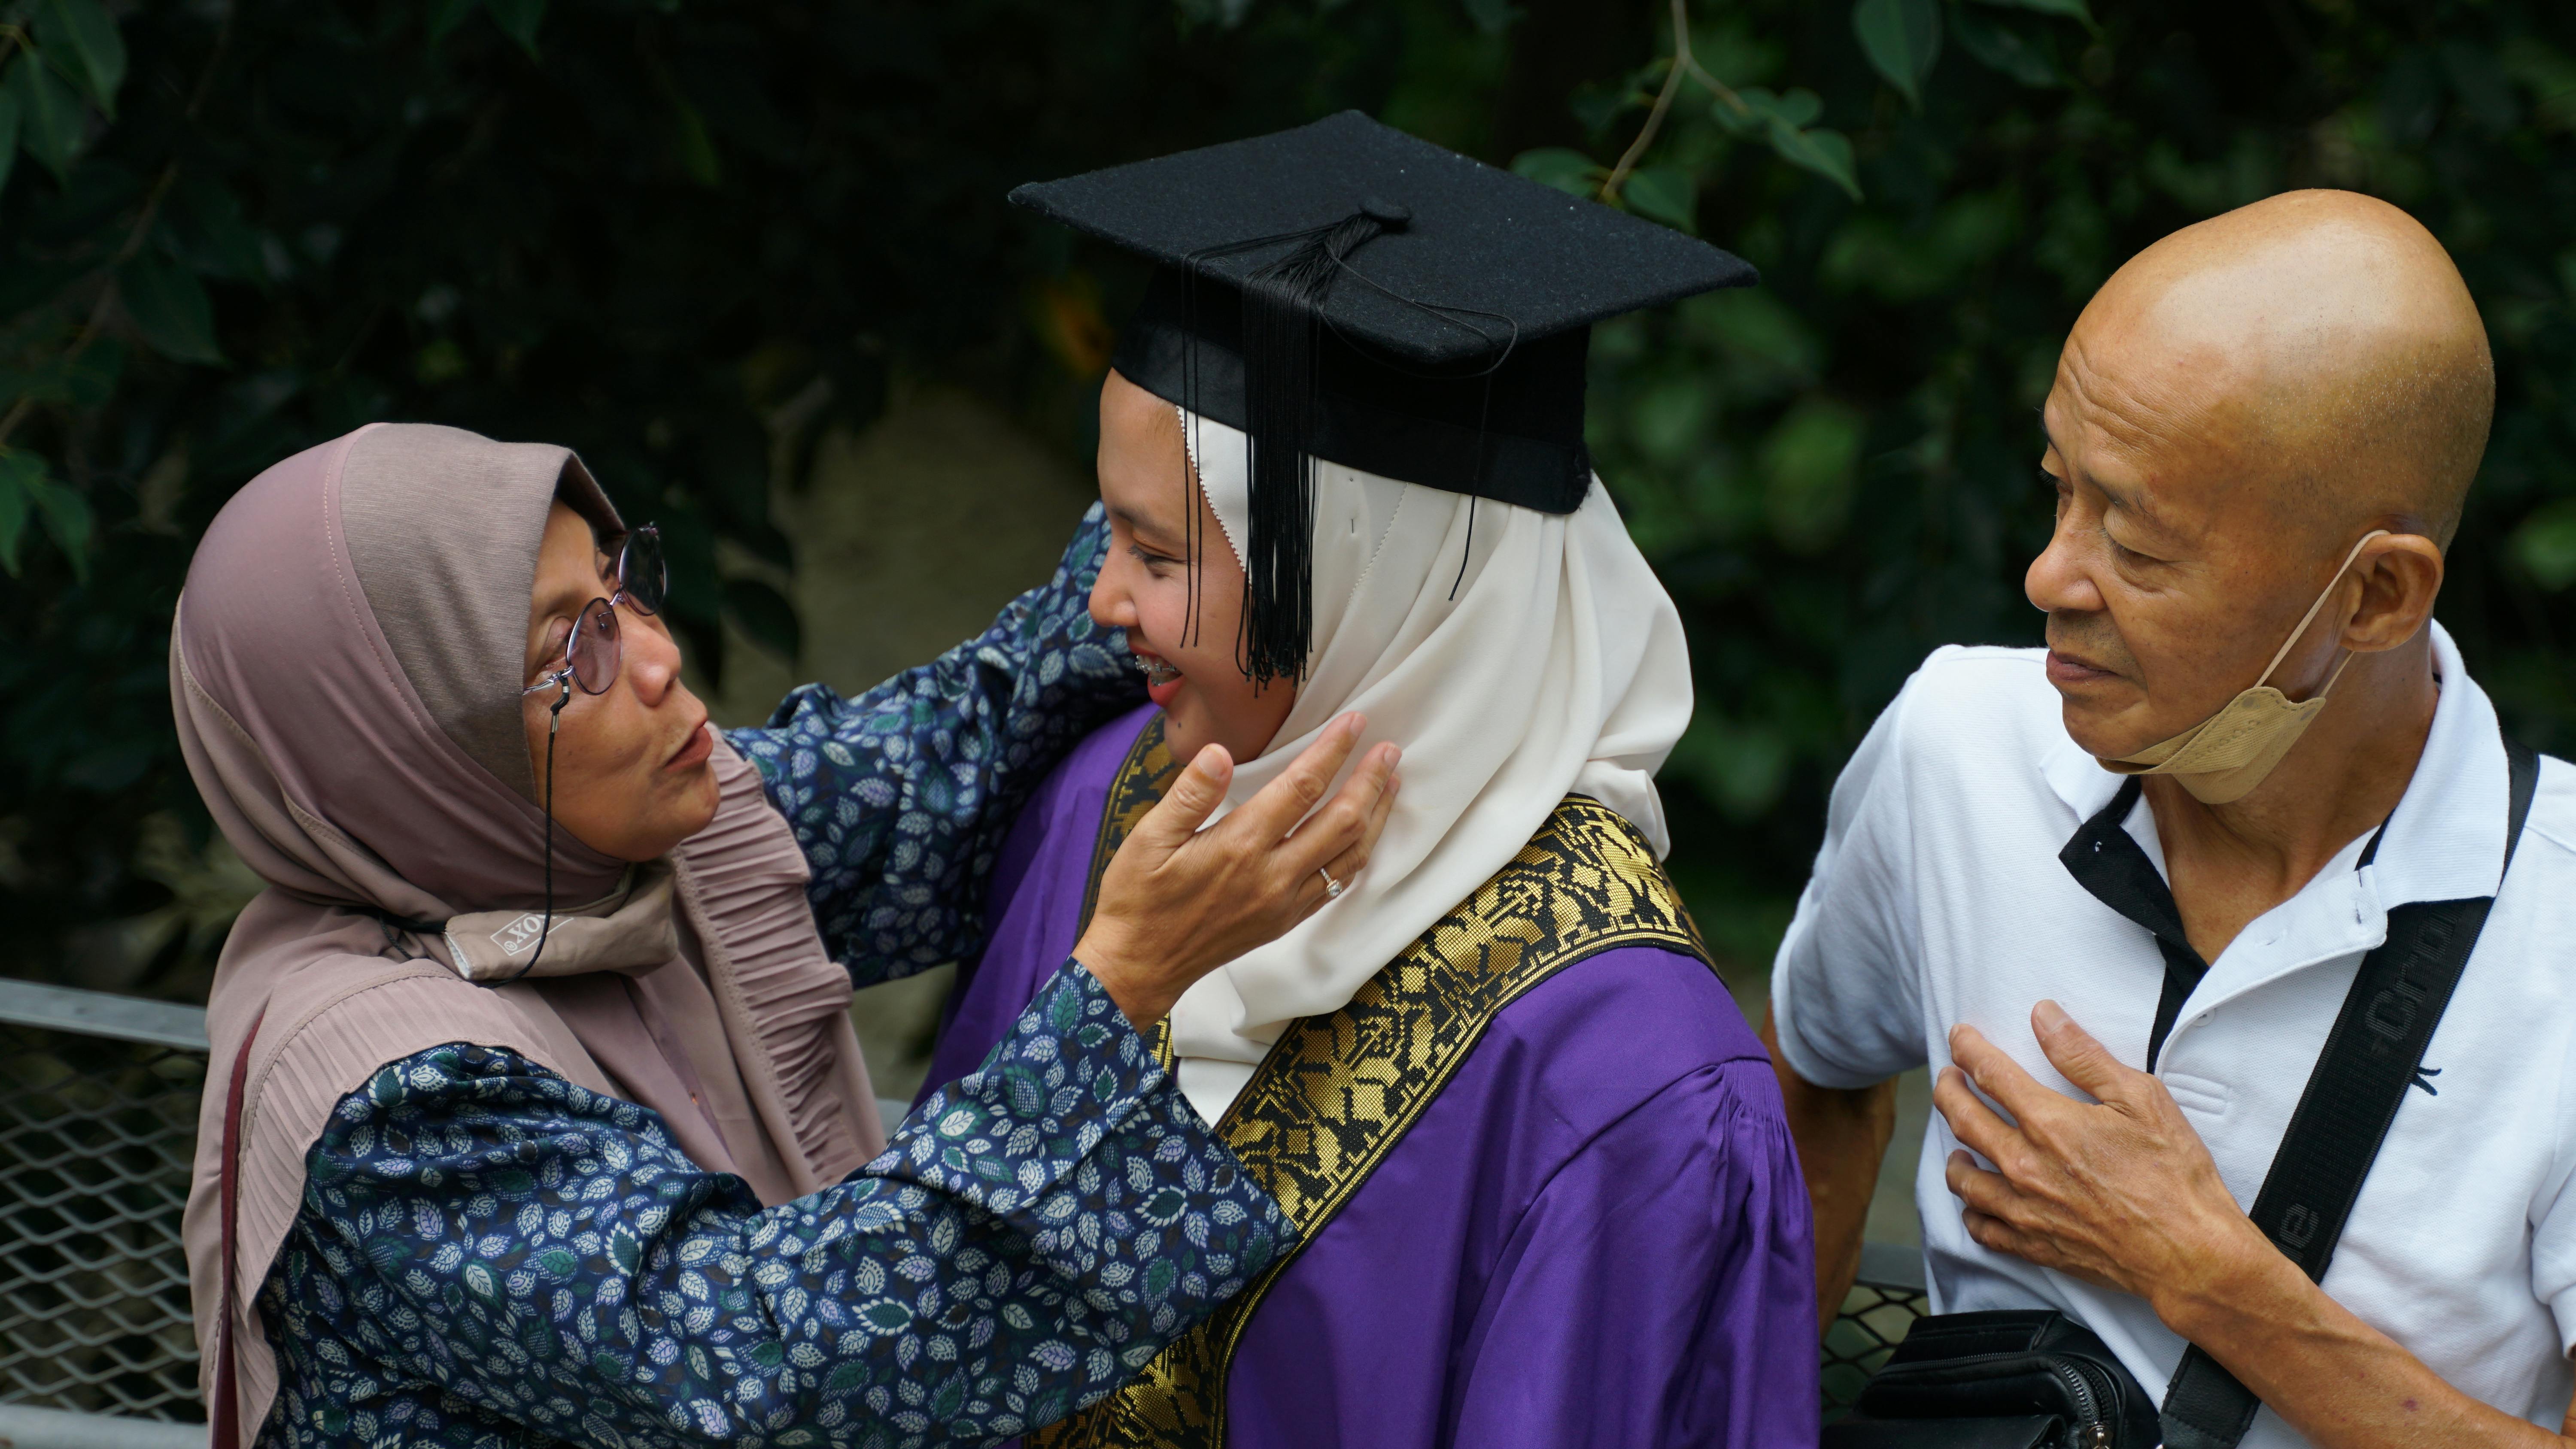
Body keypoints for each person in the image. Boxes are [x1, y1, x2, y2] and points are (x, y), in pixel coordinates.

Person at [176, 421, 1401, 1449]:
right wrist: (1121, 987)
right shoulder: (398, 1111)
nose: (656, 659)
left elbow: (951, 749)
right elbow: (761, 1364)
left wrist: (1185, 455)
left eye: (621, 586)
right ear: (408, 757)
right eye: (570, 651)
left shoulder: (626, 849)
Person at [924, 112, 1818, 1449]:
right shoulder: (1110, 809)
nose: (1100, 603)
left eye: (1158, 555)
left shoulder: (1629, 1078)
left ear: (1366, 583)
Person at [1768, 189, 2576, 1446]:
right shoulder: (1955, 747)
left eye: (2138, 551)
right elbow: (1817, 1083)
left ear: (2373, 594)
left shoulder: (2561, 930)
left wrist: (2214, 1280)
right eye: (2059, 491)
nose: (2048, 576)